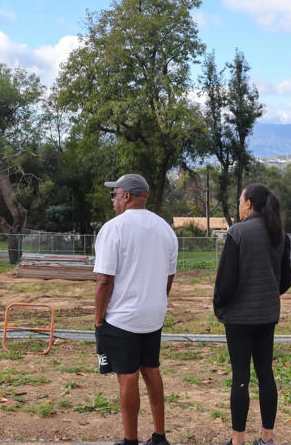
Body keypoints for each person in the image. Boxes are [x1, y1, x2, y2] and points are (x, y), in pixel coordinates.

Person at [93, 174, 179, 445]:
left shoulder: (113, 229)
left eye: (115, 194)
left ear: (127, 196)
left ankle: (130, 440)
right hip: (153, 315)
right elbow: (169, 276)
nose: (113, 200)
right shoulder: (165, 228)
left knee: (127, 377)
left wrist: (98, 318)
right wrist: (156, 301)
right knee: (151, 370)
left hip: (122, 317)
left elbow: (104, 279)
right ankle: (159, 435)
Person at [213, 183, 291, 445]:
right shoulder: (279, 234)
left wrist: (220, 306)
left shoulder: (237, 233)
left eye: (240, 201)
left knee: (241, 377)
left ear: (249, 204)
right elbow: (286, 279)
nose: (238, 205)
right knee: (265, 374)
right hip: (266, 316)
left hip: (238, 318)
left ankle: (238, 441)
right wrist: (269, 295)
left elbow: (225, 281)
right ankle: (267, 438)